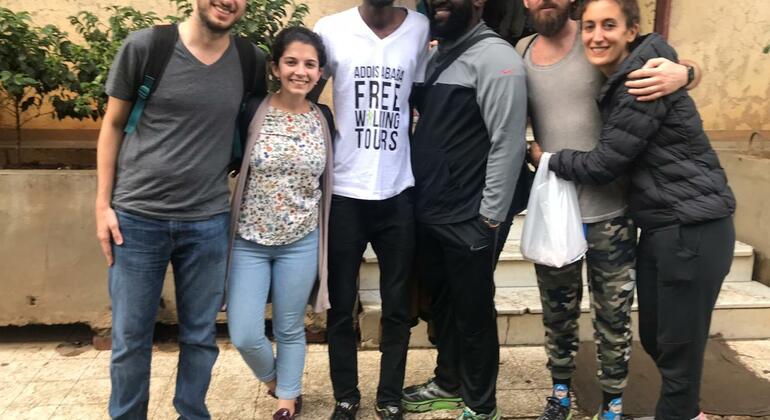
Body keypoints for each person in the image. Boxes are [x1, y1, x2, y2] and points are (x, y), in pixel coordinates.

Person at [530, 0, 736, 419]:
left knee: (663, 342)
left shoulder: (639, 76)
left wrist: (545, 158)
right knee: (656, 337)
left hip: (678, 223)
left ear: (630, 31)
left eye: (609, 25)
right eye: (591, 26)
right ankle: (686, 411)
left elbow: (605, 163)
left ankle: (653, 409)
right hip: (651, 223)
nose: (597, 35)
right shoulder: (533, 52)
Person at [95, 0, 267, 418]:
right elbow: (112, 124)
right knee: (131, 339)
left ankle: (191, 412)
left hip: (208, 221)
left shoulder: (250, 60)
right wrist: (102, 205)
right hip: (136, 218)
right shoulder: (146, 47)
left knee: (200, 338)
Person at [400, 0, 528, 418]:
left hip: (471, 216)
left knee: (473, 314)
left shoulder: (497, 59)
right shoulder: (437, 55)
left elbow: (508, 142)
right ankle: (448, 383)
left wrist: (490, 217)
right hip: (434, 208)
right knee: (443, 306)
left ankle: (481, 405)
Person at [312, 1, 430, 419]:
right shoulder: (330, 29)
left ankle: (389, 396)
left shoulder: (419, 28)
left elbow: (423, 99)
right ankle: (346, 395)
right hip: (345, 192)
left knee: (397, 306)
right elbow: (305, 95)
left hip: (398, 192)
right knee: (341, 305)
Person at [225, 27, 334, 420]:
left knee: (289, 328)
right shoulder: (253, 110)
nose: (300, 71)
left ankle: (288, 400)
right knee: (244, 333)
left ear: (319, 73)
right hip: (249, 240)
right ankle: (275, 381)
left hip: (301, 241)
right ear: (275, 67)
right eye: (291, 62)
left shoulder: (323, 118)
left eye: (310, 64)